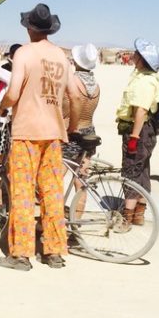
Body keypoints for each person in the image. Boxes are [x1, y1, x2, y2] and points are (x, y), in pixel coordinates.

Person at [0, 3, 79, 271]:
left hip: (26, 133)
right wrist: (71, 126)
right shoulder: (61, 57)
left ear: (30, 28)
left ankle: (21, 254)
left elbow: (14, 91)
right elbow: (74, 96)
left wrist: (2, 106)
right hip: (53, 133)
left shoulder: (23, 54)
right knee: (52, 192)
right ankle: (53, 252)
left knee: (22, 192)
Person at [115, 38, 159, 228]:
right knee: (143, 170)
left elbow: (141, 110)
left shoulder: (143, 82)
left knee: (131, 170)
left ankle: (127, 217)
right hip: (147, 130)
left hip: (139, 130)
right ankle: (138, 214)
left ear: (142, 59)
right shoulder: (150, 79)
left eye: (137, 53)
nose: (133, 55)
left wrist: (134, 137)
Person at [64, 43, 101, 225]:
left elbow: (65, 109)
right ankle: (76, 223)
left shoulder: (73, 82)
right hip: (89, 132)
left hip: (72, 133)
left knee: (54, 179)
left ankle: (49, 222)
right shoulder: (96, 86)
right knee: (81, 181)